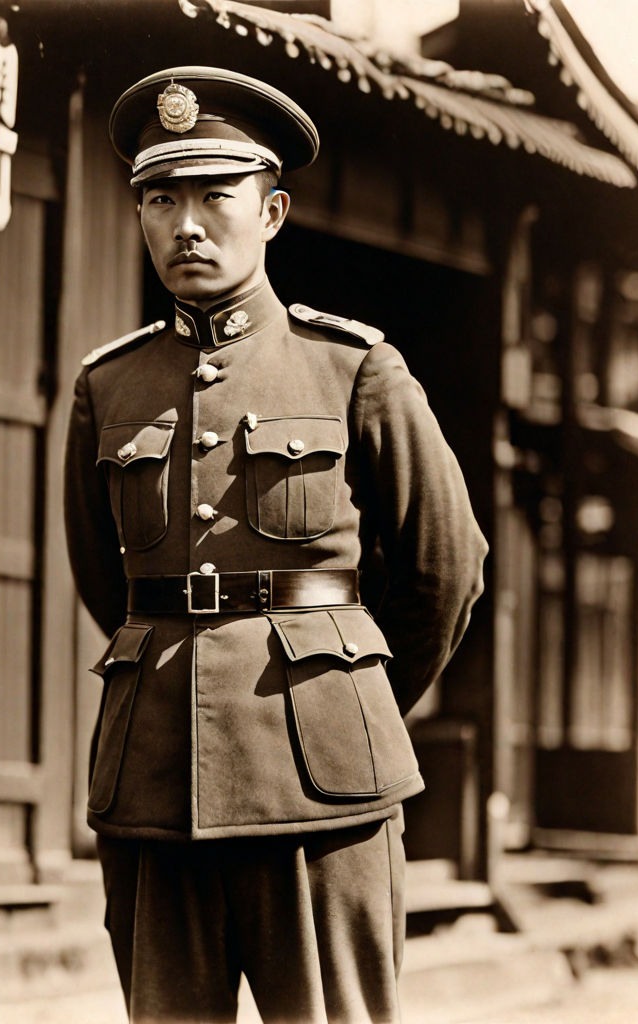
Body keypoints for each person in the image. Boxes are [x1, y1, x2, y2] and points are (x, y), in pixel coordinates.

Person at [64, 65, 488, 1024]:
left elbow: (445, 566)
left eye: (215, 196)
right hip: (156, 787)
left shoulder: (353, 367)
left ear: (274, 211)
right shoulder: (108, 386)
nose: (187, 225)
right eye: (159, 199)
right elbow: (109, 580)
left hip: (324, 781)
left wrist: (351, 694)